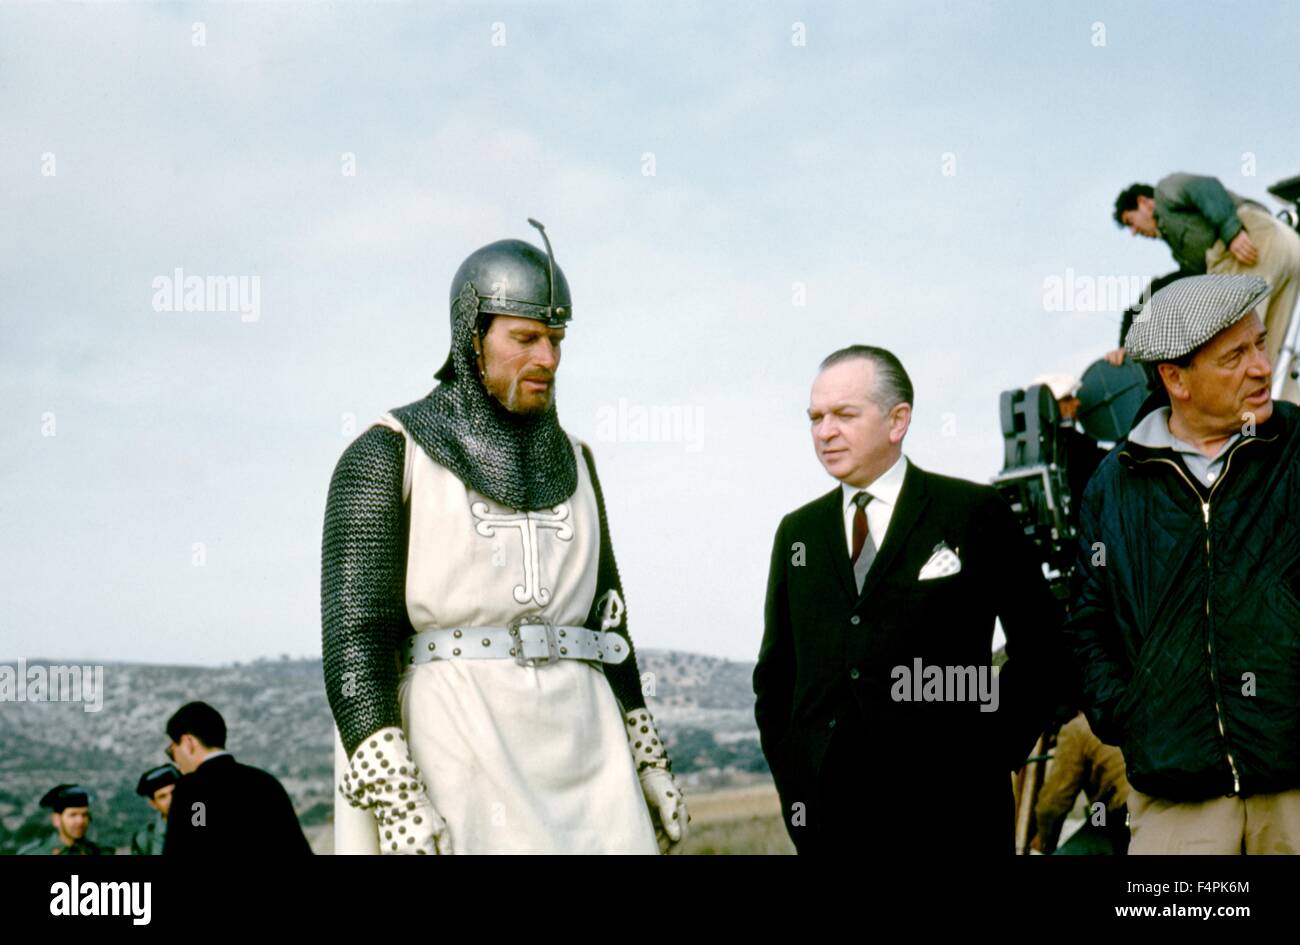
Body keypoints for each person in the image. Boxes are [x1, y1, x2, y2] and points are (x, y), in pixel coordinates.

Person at [321, 220, 686, 855]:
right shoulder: (387, 453)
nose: (548, 358)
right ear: (472, 336)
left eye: (556, 339)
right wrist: (396, 793)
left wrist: (646, 756)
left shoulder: (576, 459)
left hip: (588, 748)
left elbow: (610, 624)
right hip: (458, 741)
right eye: (526, 338)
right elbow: (356, 637)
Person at [753, 345, 1068, 855]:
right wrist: (800, 789)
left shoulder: (973, 512)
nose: (824, 431)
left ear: (898, 420)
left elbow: (1045, 646)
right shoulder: (798, 534)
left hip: (957, 822)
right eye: (815, 418)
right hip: (835, 830)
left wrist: (992, 750)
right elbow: (776, 681)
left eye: (844, 415)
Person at [1066, 273, 1300, 854]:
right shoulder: (1114, 485)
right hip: (1177, 793)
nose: (1261, 368)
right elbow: (1089, 617)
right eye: (1233, 357)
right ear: (1176, 379)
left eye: (1261, 344)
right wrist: (1132, 714)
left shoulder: (1296, 448)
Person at [1114, 175, 1300, 400]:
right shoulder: (1181, 247)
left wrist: (1231, 231)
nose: (1133, 231)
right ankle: (1290, 414)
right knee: (1270, 350)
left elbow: (1206, 187)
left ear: (1144, 202)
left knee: (1233, 346)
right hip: (1283, 250)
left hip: (1252, 247)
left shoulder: (1166, 191)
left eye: (1130, 221)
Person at [162, 701, 312, 855]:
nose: (176, 760)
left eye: (172, 751)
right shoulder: (265, 783)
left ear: (188, 743)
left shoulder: (191, 790)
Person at [1033, 711, 1130, 855]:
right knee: (1097, 819)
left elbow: (1053, 805)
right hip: (1119, 810)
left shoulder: (1078, 727)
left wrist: (1043, 842)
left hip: (1123, 815)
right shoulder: (1125, 712)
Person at [17, 784, 110, 855]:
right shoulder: (35, 853)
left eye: (84, 815)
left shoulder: (101, 852)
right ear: (57, 820)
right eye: (73, 815)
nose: (80, 821)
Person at [130, 763, 179, 856]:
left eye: (174, 792)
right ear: (154, 804)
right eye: (162, 796)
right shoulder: (145, 839)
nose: (171, 799)